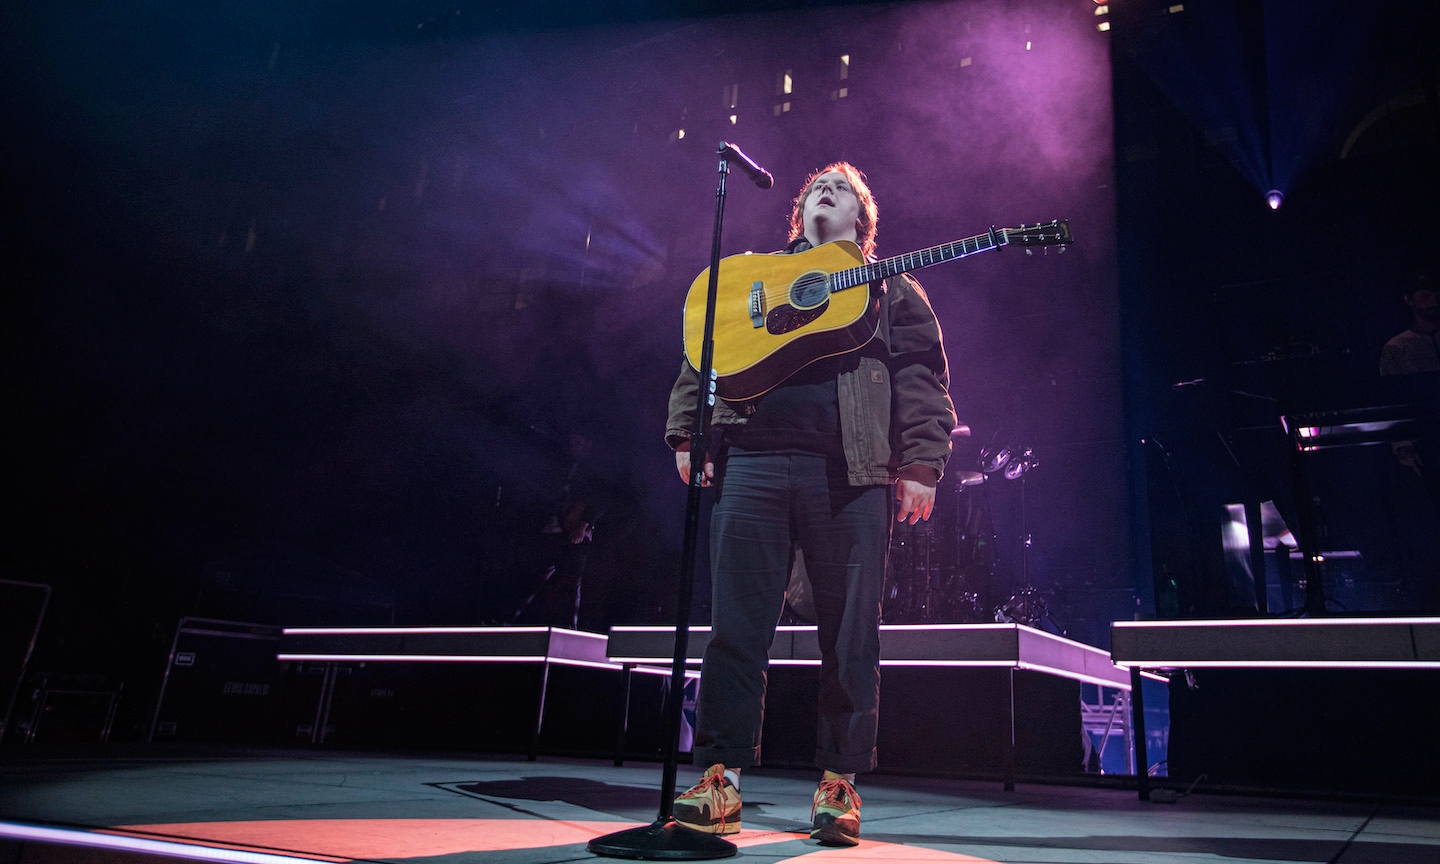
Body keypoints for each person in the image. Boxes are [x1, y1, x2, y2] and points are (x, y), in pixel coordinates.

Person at [664, 162, 956, 846]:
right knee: (735, 629)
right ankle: (718, 781)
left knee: (852, 633)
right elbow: (701, 351)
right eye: (819, 187)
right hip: (752, 459)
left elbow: (921, 374)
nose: (829, 190)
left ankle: (839, 785)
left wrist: (919, 462)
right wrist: (687, 430)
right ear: (800, 214)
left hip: (850, 472)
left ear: (864, 221)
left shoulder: (891, 286)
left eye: (845, 189)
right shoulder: (752, 277)